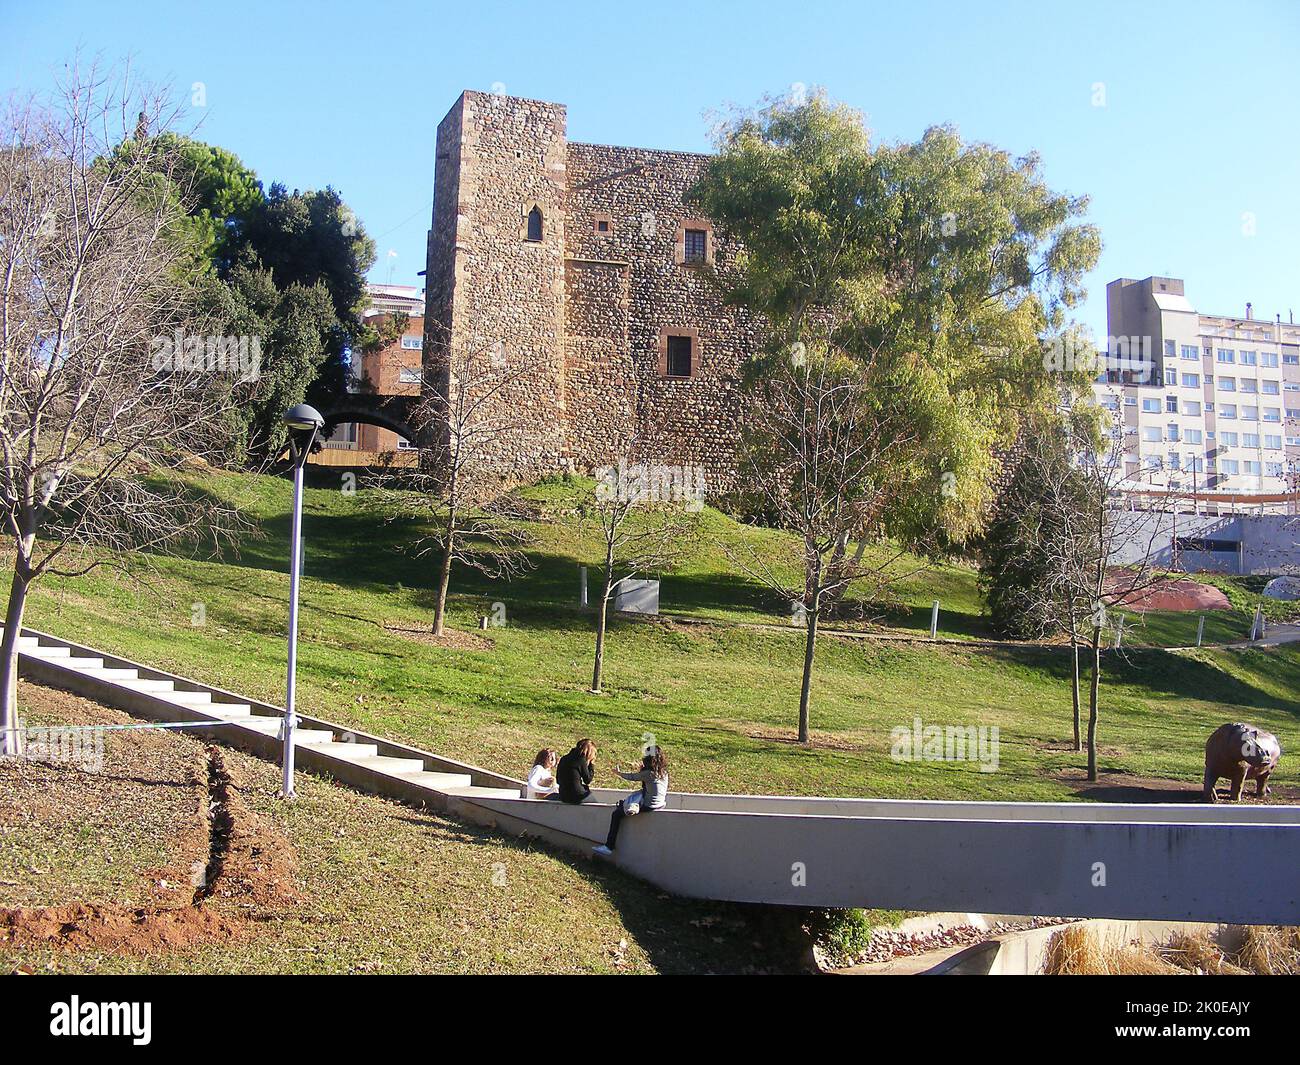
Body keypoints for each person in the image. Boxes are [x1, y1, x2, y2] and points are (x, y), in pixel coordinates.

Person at [593, 746, 668, 856]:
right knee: (632, 798)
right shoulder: (664, 773)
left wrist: (619, 773)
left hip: (649, 805)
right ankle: (628, 806)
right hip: (660, 804)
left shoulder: (648, 774)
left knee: (616, 814)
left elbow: (632, 777)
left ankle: (609, 846)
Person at [555, 739, 597, 804]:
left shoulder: (564, 758)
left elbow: (558, 780)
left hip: (563, 796)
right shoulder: (581, 760)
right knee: (595, 804)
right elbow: (587, 780)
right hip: (577, 796)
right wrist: (591, 764)